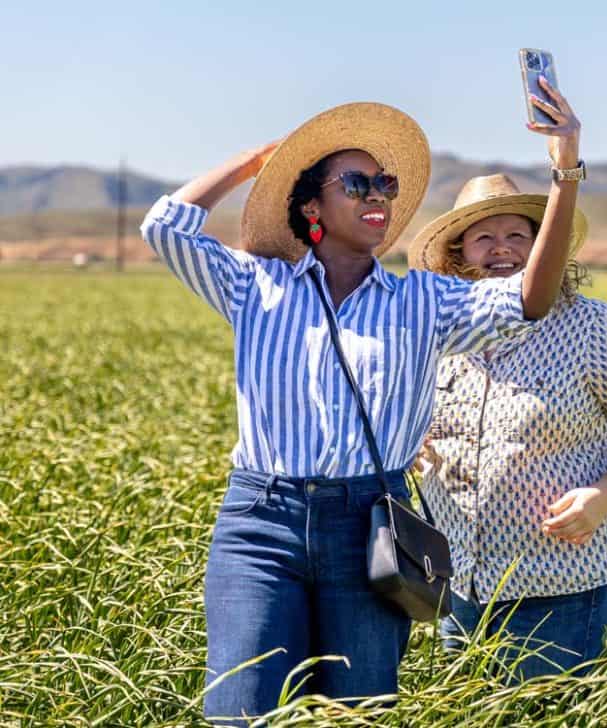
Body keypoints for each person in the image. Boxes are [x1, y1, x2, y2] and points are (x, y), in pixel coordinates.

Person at [139, 96, 584, 722]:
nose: (378, 194)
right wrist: (256, 163)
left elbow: (528, 302)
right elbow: (165, 227)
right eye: (356, 182)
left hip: (370, 524)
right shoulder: (254, 285)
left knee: (358, 711)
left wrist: (565, 173)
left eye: (385, 183)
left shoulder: (424, 301)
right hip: (260, 522)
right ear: (312, 206)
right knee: (239, 711)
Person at [409, 87, 607, 683]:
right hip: (459, 582)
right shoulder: (441, 334)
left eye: (519, 236)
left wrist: (602, 497)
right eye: (485, 238)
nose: (503, 250)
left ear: (545, 244)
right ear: (460, 255)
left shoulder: (593, 327)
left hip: (560, 582)